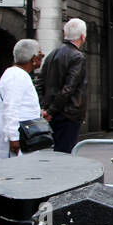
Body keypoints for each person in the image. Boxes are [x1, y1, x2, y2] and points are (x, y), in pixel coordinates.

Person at [39, 18, 88, 154]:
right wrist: (51, 111)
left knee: (57, 151)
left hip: (53, 112)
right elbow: (69, 88)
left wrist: (45, 108)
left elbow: (40, 82)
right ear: (82, 37)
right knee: (65, 153)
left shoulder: (52, 54)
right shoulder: (78, 57)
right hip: (69, 113)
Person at [0, 39, 44, 160]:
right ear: (34, 58)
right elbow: (11, 106)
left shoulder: (17, 74)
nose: (42, 58)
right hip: (16, 135)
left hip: (22, 132)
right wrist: (13, 137)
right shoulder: (16, 76)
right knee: (13, 172)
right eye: (40, 55)